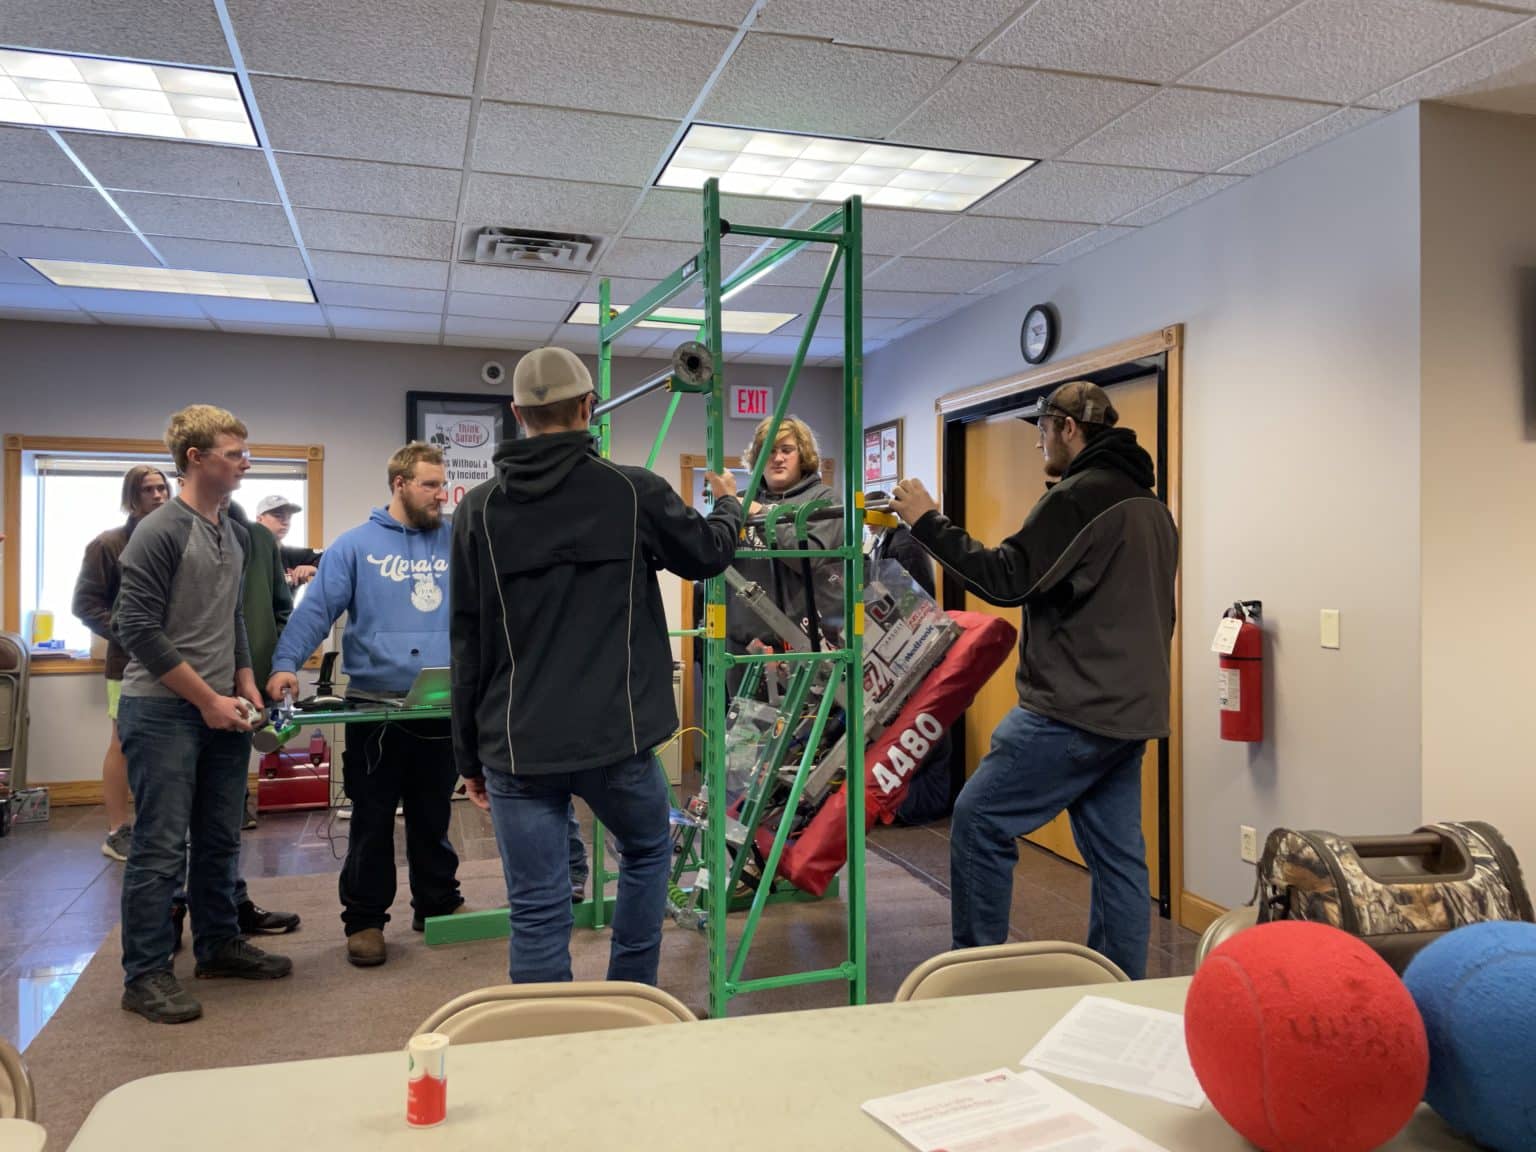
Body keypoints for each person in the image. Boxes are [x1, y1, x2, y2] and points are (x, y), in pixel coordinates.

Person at [451, 346, 741, 984]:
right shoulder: (632, 492)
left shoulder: (479, 511)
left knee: (536, 903)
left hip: (517, 744)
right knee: (645, 855)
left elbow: (467, 640)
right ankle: (630, 999)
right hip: (617, 739)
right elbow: (707, 556)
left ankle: (548, 1043)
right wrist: (730, 506)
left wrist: (468, 757)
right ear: (589, 409)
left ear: (518, 413)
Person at [888, 380, 1178, 980]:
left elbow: (1006, 579)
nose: (1040, 443)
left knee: (978, 821)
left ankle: (976, 978)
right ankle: (1121, 987)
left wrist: (927, 522)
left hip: (1068, 712)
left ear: (1068, 428)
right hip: (1129, 712)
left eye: (1043, 430)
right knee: (1119, 860)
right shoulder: (1152, 509)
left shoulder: (1079, 498)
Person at [114, 405, 293, 1025]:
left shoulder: (237, 533)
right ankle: (144, 976)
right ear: (195, 458)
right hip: (163, 711)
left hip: (222, 708)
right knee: (160, 848)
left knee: (219, 838)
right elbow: (134, 627)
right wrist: (207, 699)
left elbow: (232, 619)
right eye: (234, 452)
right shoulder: (160, 529)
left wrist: (243, 685)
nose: (246, 462)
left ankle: (217, 946)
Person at [268, 443, 464, 969]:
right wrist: (285, 663)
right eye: (429, 484)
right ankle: (365, 921)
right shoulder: (354, 546)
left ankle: (438, 904)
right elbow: (316, 612)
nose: (438, 494)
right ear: (399, 484)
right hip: (374, 709)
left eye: (441, 485)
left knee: (434, 814)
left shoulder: (457, 541)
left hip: (439, 706)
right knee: (373, 818)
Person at [72, 464, 170, 862]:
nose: (159, 496)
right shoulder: (107, 544)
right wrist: (130, 631)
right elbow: (85, 604)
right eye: (149, 490)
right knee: (123, 744)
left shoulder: (175, 539)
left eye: (163, 488)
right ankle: (116, 830)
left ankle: (162, 828)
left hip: (173, 662)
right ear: (132, 497)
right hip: (126, 662)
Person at [727, 415, 841, 693]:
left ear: (803, 455)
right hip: (741, 650)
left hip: (798, 650)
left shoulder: (824, 501)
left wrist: (758, 514)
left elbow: (809, 557)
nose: (777, 458)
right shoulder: (740, 500)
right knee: (742, 734)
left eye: (786, 450)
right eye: (769, 451)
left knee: (803, 734)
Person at [864, 489, 952, 827]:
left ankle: (913, 805)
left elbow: (916, 598)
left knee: (922, 736)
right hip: (898, 648)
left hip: (913, 648)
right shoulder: (885, 543)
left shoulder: (904, 545)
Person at [256, 494, 320, 587]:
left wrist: (314, 568)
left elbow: (330, 558)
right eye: (278, 516)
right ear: (259, 519)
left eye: (288, 517)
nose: (285, 522)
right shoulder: (244, 551)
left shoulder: (293, 555)